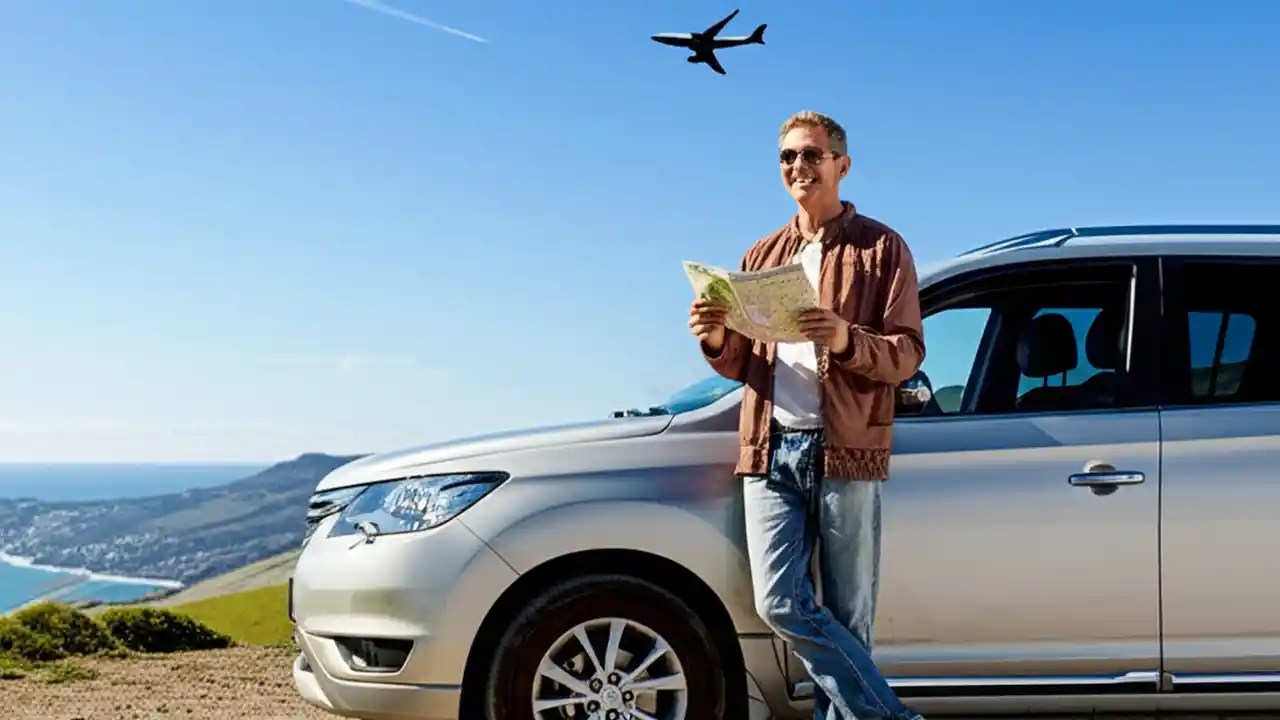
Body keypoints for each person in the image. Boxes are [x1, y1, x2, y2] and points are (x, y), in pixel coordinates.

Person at [688, 110, 925, 720]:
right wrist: (714, 339)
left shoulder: (882, 248)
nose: (799, 167)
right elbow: (744, 363)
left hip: (846, 447)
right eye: (789, 157)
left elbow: (907, 354)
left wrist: (847, 339)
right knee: (779, 602)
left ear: (842, 165)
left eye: (812, 155)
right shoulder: (762, 252)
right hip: (770, 449)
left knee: (849, 617)